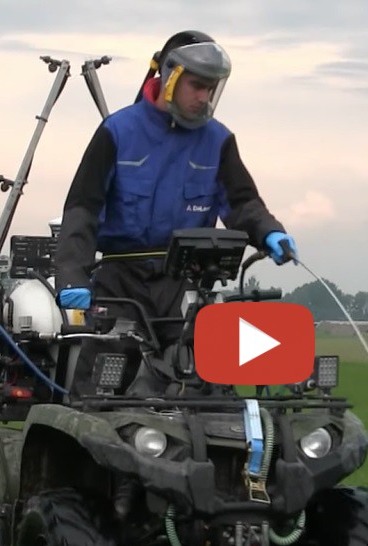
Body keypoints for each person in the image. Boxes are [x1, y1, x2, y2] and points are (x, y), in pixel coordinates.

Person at [53, 29, 298, 394]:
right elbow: (82, 209)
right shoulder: (118, 131)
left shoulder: (218, 140)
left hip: (185, 282)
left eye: (210, 89)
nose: (204, 98)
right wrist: (72, 275)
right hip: (121, 280)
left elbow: (242, 203)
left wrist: (269, 232)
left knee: (205, 379)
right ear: (170, 77)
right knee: (103, 382)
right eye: (197, 86)